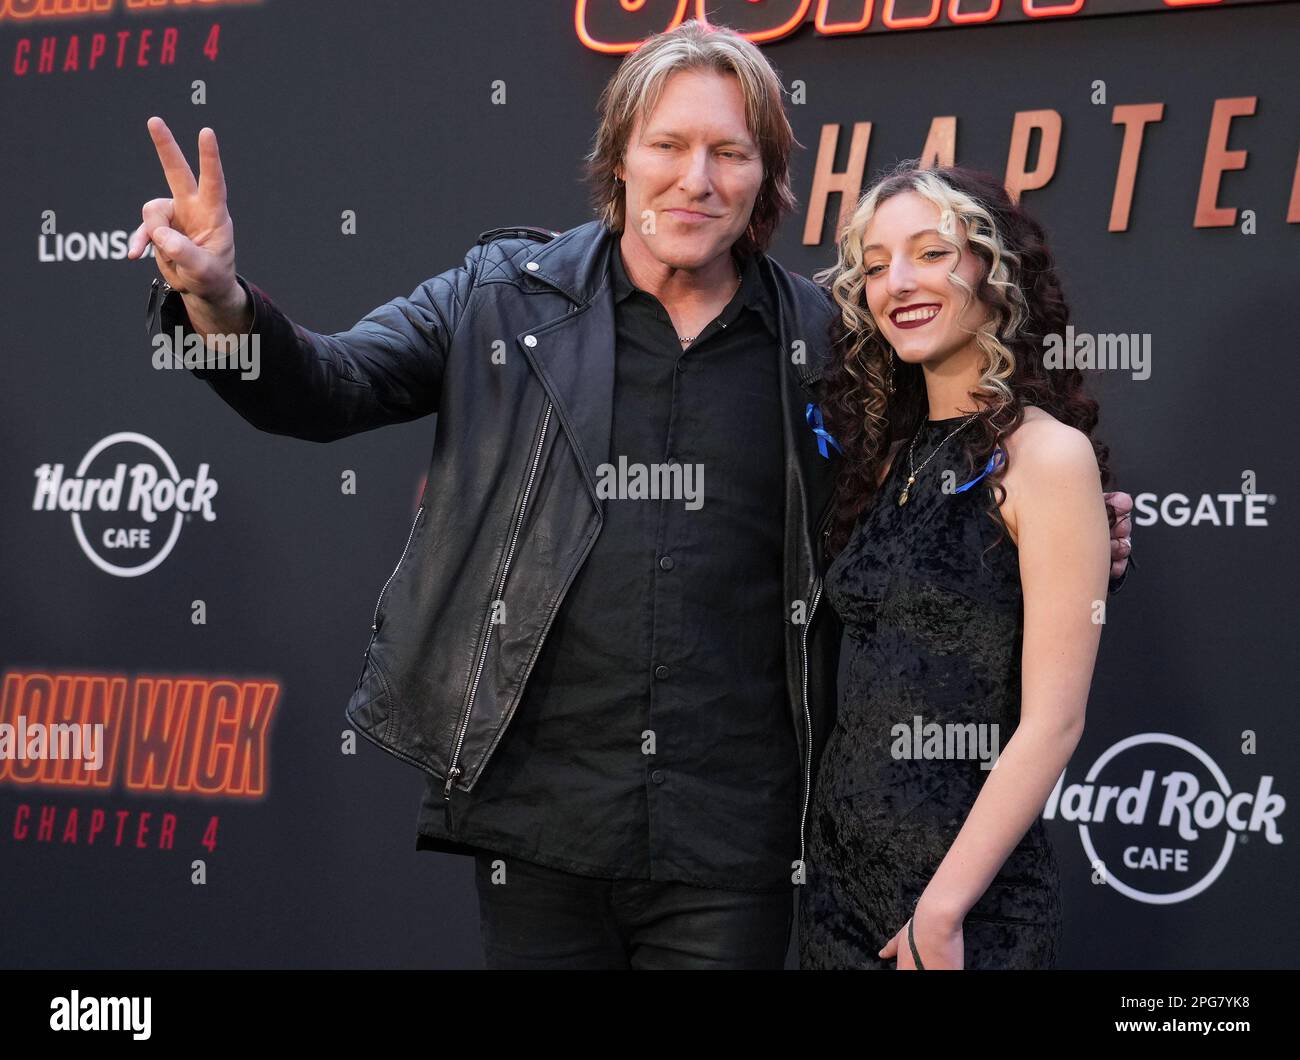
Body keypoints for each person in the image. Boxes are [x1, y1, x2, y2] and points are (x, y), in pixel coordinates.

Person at [129, 21, 1132, 969]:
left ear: (768, 179)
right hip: (537, 823)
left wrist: (1071, 542)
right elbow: (327, 386)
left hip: (740, 838)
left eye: (729, 154)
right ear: (620, 158)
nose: (695, 180)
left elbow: (952, 500)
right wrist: (218, 298)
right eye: (668, 145)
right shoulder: (497, 298)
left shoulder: (829, 342)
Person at [799, 160, 1116, 970]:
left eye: (931, 252)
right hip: (837, 895)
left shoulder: (1046, 455)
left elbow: (1054, 721)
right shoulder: (884, 459)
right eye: (874, 266)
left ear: (992, 267)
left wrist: (941, 911)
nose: (898, 281)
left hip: (966, 910)